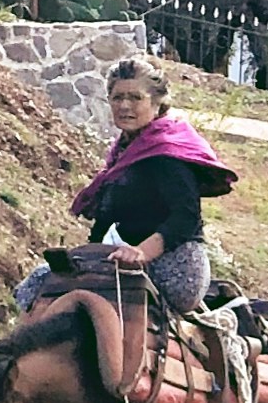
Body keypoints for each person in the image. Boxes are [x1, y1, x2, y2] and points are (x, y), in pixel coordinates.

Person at [21, 61, 239, 318]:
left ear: (157, 103)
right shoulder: (124, 152)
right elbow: (106, 217)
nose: (124, 106)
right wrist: (85, 256)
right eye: (117, 98)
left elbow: (186, 217)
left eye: (135, 97)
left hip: (173, 268)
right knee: (40, 281)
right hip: (121, 259)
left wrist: (141, 253)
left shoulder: (166, 153)